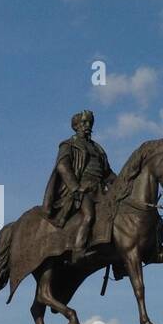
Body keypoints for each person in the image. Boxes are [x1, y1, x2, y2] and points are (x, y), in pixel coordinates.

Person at [43, 110, 112, 262]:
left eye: (90, 123)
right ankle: (78, 250)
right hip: (82, 189)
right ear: (76, 126)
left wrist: (125, 183)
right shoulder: (69, 145)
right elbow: (62, 166)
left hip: (100, 190)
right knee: (89, 216)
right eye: (84, 123)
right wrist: (75, 188)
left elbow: (108, 173)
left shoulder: (97, 148)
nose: (88, 126)